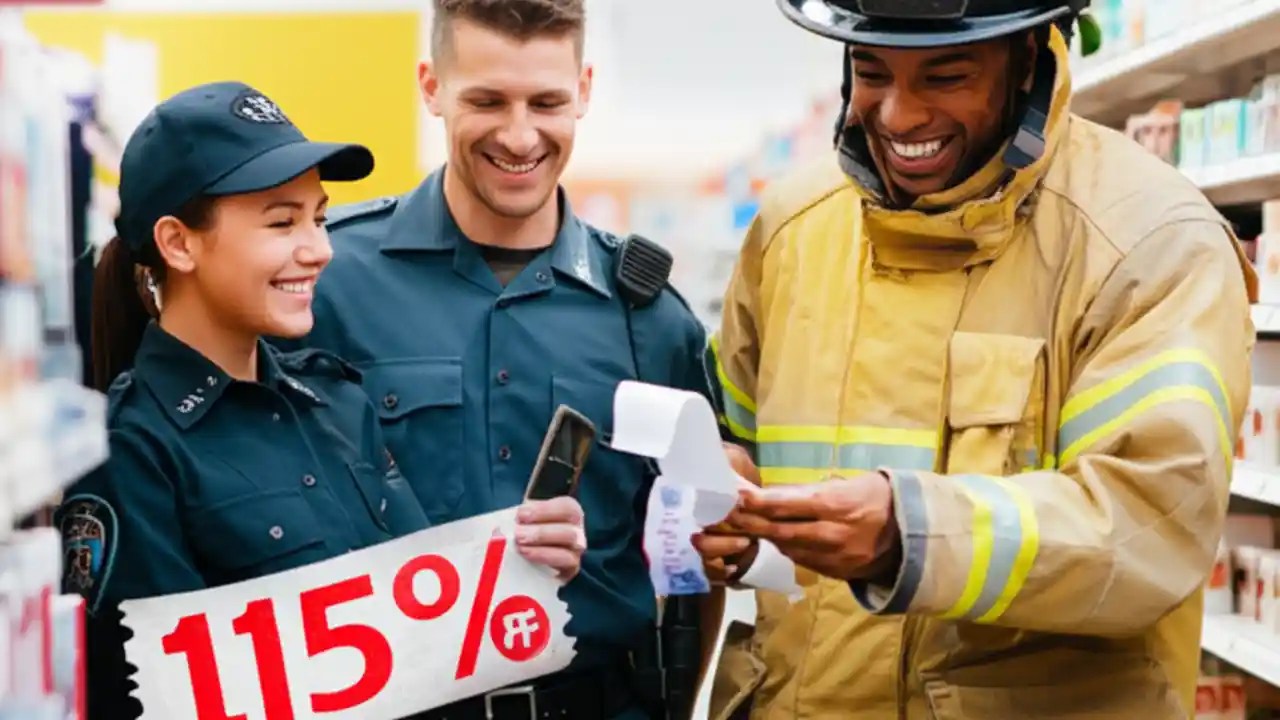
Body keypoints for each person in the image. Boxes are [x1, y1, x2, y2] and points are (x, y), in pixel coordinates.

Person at [693, 1, 1259, 718]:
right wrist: (725, 498)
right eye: (871, 71)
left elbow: (1150, 524)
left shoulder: (1150, 245)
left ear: (1028, 55)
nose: (898, 115)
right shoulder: (789, 230)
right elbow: (736, 434)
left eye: (947, 75)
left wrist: (911, 534)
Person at [56, 81, 587, 720]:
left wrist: (519, 567)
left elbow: (413, 620)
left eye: (318, 216)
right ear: (178, 243)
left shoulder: (335, 401)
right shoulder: (132, 449)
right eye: (282, 223)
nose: (319, 249)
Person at [287, 1, 716, 717]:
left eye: (546, 102)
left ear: (583, 88)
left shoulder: (650, 318)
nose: (520, 136)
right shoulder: (327, 286)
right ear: (431, 87)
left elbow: (698, 558)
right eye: (487, 101)